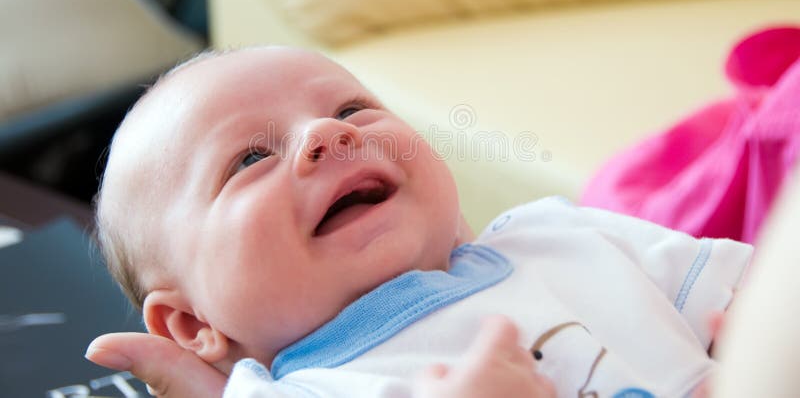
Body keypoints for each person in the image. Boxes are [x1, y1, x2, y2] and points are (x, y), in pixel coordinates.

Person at [86, 46, 751, 397]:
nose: (326, 133)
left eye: (350, 111)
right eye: (251, 157)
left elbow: (757, 292)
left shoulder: (560, 239)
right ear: (194, 323)